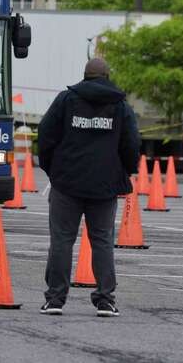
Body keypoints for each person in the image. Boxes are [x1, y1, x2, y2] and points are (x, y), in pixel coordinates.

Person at [37, 57, 140, 318]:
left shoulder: (66, 100)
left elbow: (46, 134)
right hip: (104, 186)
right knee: (102, 241)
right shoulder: (119, 106)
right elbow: (131, 143)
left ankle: (55, 299)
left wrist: (53, 170)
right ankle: (105, 300)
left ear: (85, 75)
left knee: (61, 241)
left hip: (67, 184)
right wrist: (125, 172)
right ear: (107, 76)